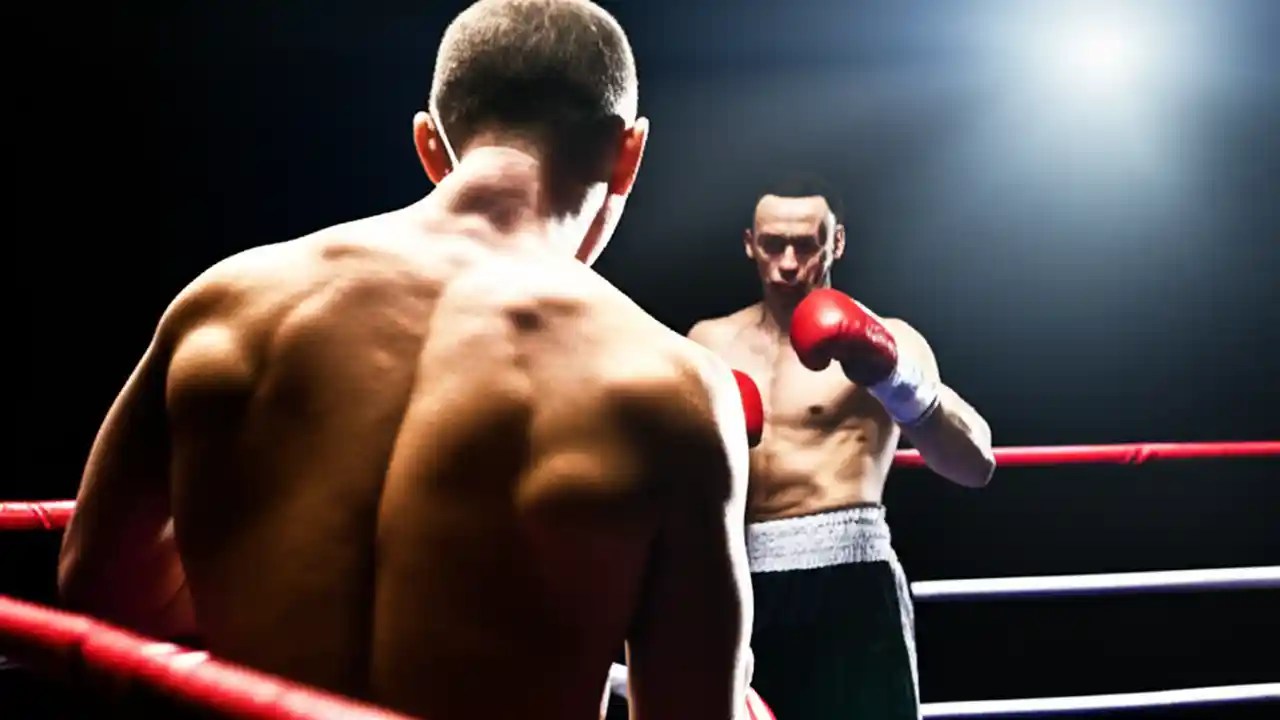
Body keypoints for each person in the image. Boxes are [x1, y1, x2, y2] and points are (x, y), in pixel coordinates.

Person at [55, 2, 764, 718]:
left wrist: (259, 568)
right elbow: (691, 707)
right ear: (629, 153)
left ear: (429, 144)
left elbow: (103, 592)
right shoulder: (673, 388)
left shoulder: (221, 306)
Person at [686, 174, 996, 719]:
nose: (786, 263)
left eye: (805, 245)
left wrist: (894, 377)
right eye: (772, 244)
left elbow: (975, 465)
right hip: (737, 587)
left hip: (850, 584)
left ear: (837, 243)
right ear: (748, 244)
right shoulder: (709, 343)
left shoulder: (888, 336)